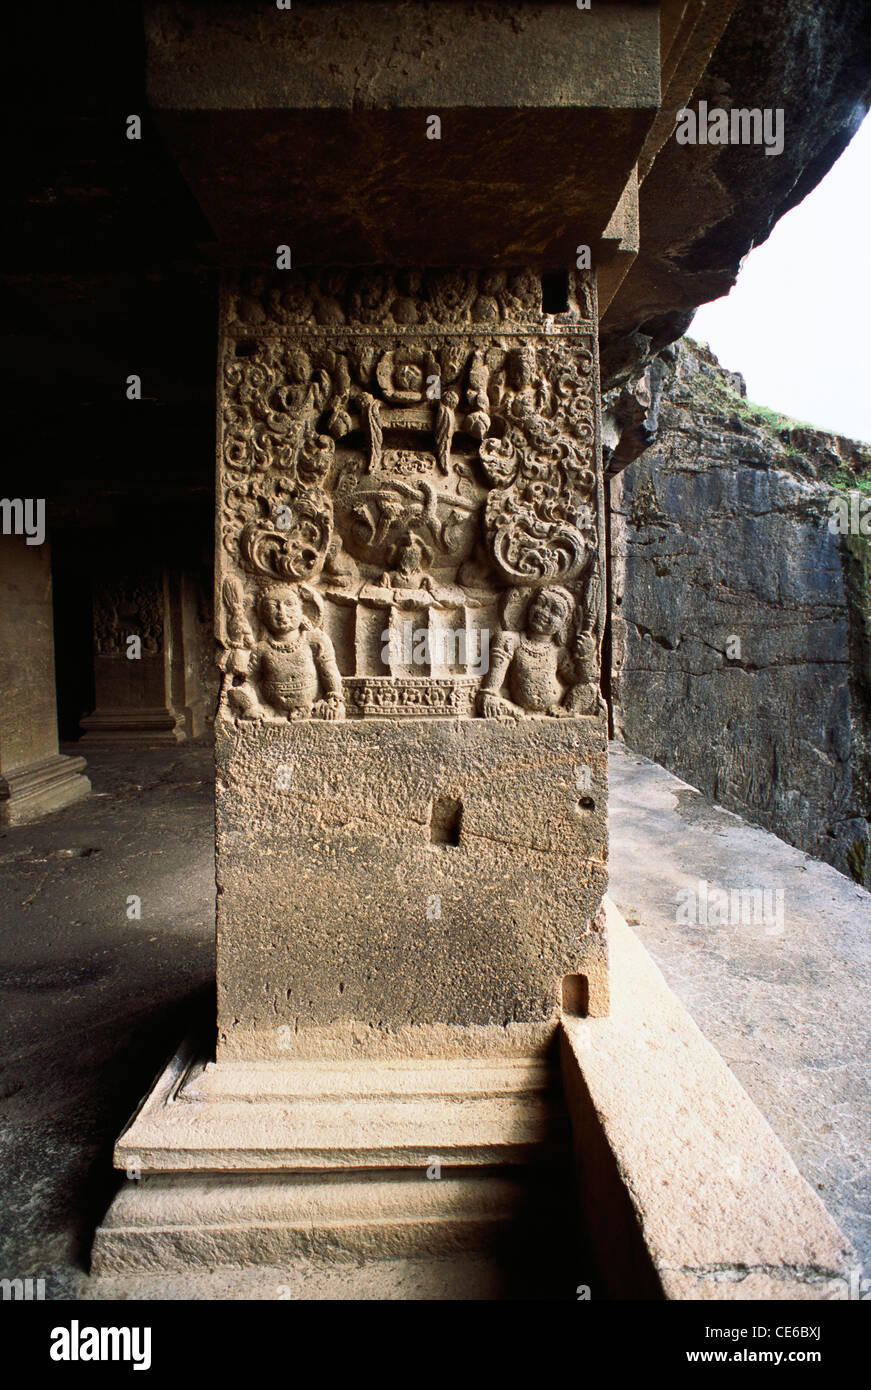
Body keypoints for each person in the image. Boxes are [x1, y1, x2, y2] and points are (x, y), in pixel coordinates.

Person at [226, 584, 345, 721]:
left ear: (302, 610)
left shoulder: (315, 640)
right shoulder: (261, 649)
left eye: (289, 604)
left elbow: (329, 671)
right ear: (262, 617)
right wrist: (250, 706)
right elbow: (249, 681)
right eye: (272, 607)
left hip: (313, 709)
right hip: (271, 712)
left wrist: (335, 699)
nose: (281, 611)